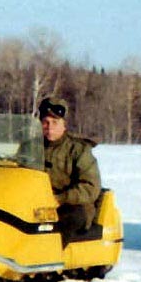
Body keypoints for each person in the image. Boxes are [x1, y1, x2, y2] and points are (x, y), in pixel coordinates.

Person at [38, 96, 102, 233]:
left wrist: (61, 198)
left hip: (72, 205)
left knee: (68, 219)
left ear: (64, 124)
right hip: (38, 204)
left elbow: (90, 188)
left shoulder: (78, 149)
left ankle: (51, 253)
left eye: (55, 122)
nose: (49, 127)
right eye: (45, 122)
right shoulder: (31, 148)